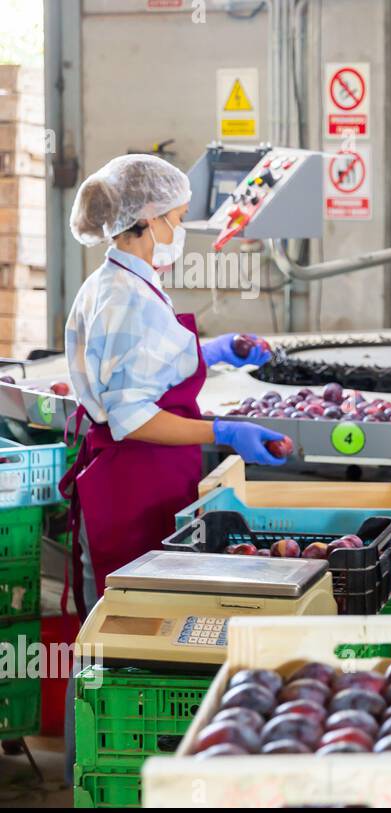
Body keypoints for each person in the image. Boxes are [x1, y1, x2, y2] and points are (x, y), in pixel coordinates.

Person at [61, 154, 287, 615]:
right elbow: (134, 417)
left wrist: (216, 352)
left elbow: (144, 367)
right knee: (123, 635)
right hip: (133, 484)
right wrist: (223, 432)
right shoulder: (125, 299)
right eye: (179, 219)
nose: (179, 231)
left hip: (146, 478)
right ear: (149, 218)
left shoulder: (119, 281)